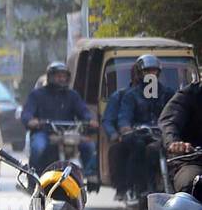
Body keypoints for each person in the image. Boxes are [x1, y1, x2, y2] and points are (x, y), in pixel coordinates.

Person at [116, 54, 177, 195]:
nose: (151, 74)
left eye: (154, 71)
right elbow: (124, 116)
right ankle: (141, 187)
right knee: (139, 147)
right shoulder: (131, 95)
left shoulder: (167, 93)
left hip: (163, 134)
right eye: (147, 71)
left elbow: (176, 111)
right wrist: (126, 127)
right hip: (141, 134)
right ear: (139, 73)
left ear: (159, 72)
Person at [21, 61, 95, 170]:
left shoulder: (72, 95)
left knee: (89, 146)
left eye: (64, 76)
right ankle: (33, 177)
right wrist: (30, 120)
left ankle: (86, 176)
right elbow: (27, 113)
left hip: (68, 133)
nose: (62, 79)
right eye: (58, 76)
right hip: (44, 132)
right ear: (50, 76)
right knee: (38, 147)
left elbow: (83, 110)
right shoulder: (37, 94)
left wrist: (89, 120)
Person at [102, 61, 140, 201]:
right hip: (126, 137)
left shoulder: (161, 94)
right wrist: (115, 135)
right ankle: (122, 187)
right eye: (146, 72)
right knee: (117, 150)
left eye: (153, 72)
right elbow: (108, 120)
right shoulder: (120, 95)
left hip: (153, 136)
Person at [161, 74, 202, 196]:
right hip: (193, 160)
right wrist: (174, 142)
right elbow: (170, 121)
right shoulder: (188, 96)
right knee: (193, 183)